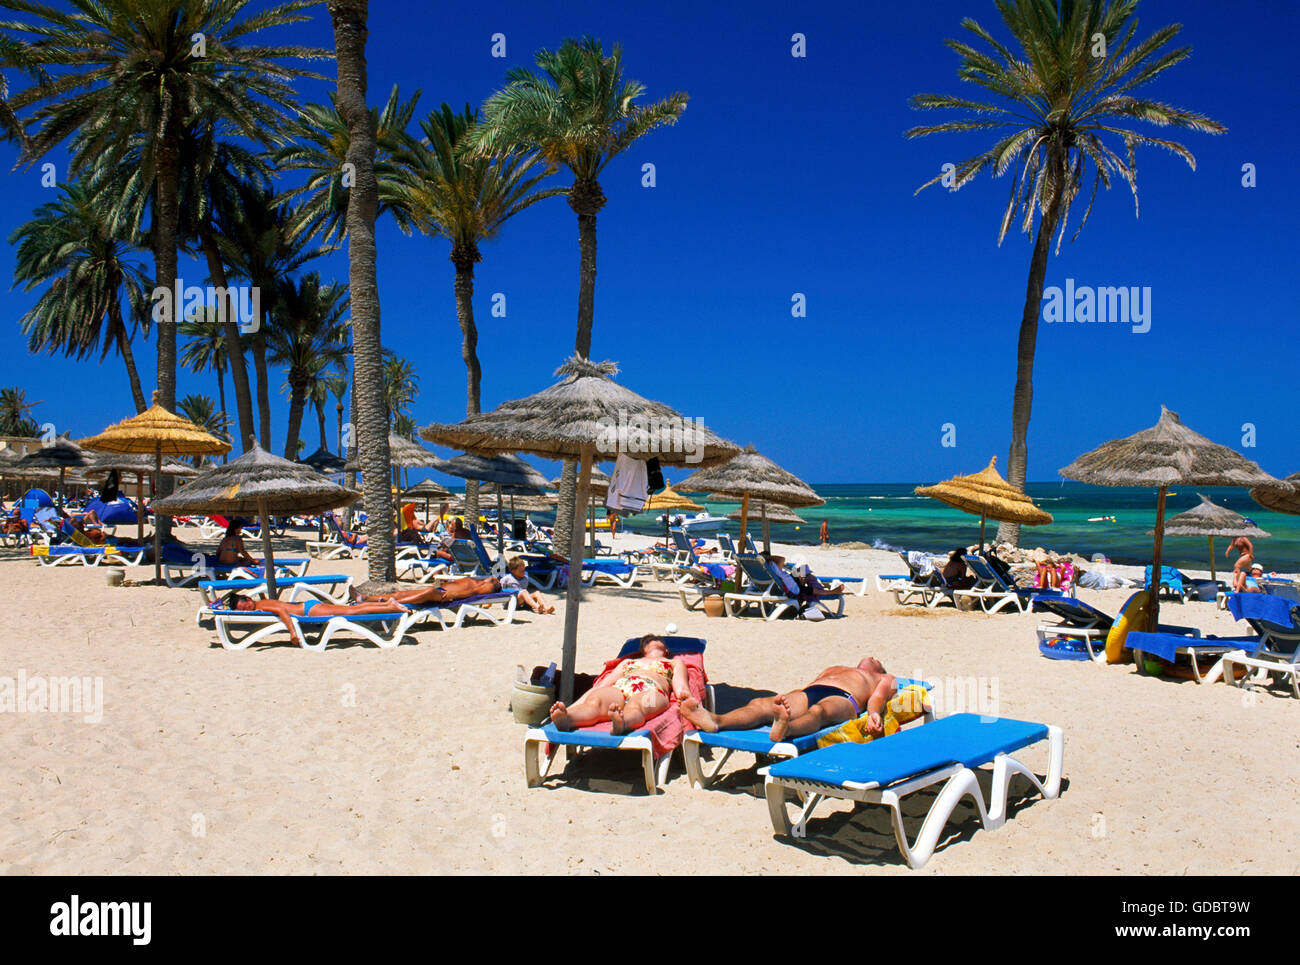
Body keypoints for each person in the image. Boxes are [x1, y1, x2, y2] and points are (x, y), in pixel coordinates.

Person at [680, 657, 896, 742]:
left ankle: (787, 728)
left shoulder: (883, 677)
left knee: (819, 713)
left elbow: (878, 697)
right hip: (810, 691)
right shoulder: (835, 667)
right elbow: (811, 683)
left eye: (876, 659)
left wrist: (874, 713)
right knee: (762, 704)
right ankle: (717, 721)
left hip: (845, 698)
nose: (871, 658)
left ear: (879, 668)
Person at [549, 635, 692, 735]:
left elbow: (681, 685)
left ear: (666, 650)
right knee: (595, 702)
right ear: (642, 650)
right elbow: (601, 686)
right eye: (648, 639)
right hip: (620, 688)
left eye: (657, 639)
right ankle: (568, 719)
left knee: (637, 706)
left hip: (651, 689)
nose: (653, 638)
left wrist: (685, 696)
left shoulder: (673, 662)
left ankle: (623, 723)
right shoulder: (628, 662)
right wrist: (570, 708)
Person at [224, 593, 412, 646]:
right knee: (351, 610)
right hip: (309, 607)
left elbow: (282, 611)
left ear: (248, 599)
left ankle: (389, 606)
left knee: (351, 613)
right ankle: (388, 605)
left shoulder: (261, 605)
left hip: (309, 611)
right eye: (243, 610)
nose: (247, 610)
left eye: (245, 606)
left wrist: (292, 632)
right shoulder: (261, 603)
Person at [350, 573, 502, 607]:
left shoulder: (490, 585)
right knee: (400, 593)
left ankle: (387, 604)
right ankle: (366, 598)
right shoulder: (480, 580)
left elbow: (474, 593)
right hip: (441, 589)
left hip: (443, 595)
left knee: (428, 592)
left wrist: (452, 594)